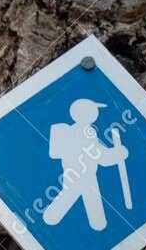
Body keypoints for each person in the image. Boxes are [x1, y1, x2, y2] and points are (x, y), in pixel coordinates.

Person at [42, 98, 129, 231]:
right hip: (79, 174)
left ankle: (99, 228)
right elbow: (100, 156)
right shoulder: (79, 133)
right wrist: (118, 154)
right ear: (88, 114)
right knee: (74, 196)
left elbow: (100, 155)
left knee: (86, 198)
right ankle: (50, 218)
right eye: (94, 110)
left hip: (85, 173)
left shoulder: (88, 132)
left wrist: (118, 154)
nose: (96, 113)